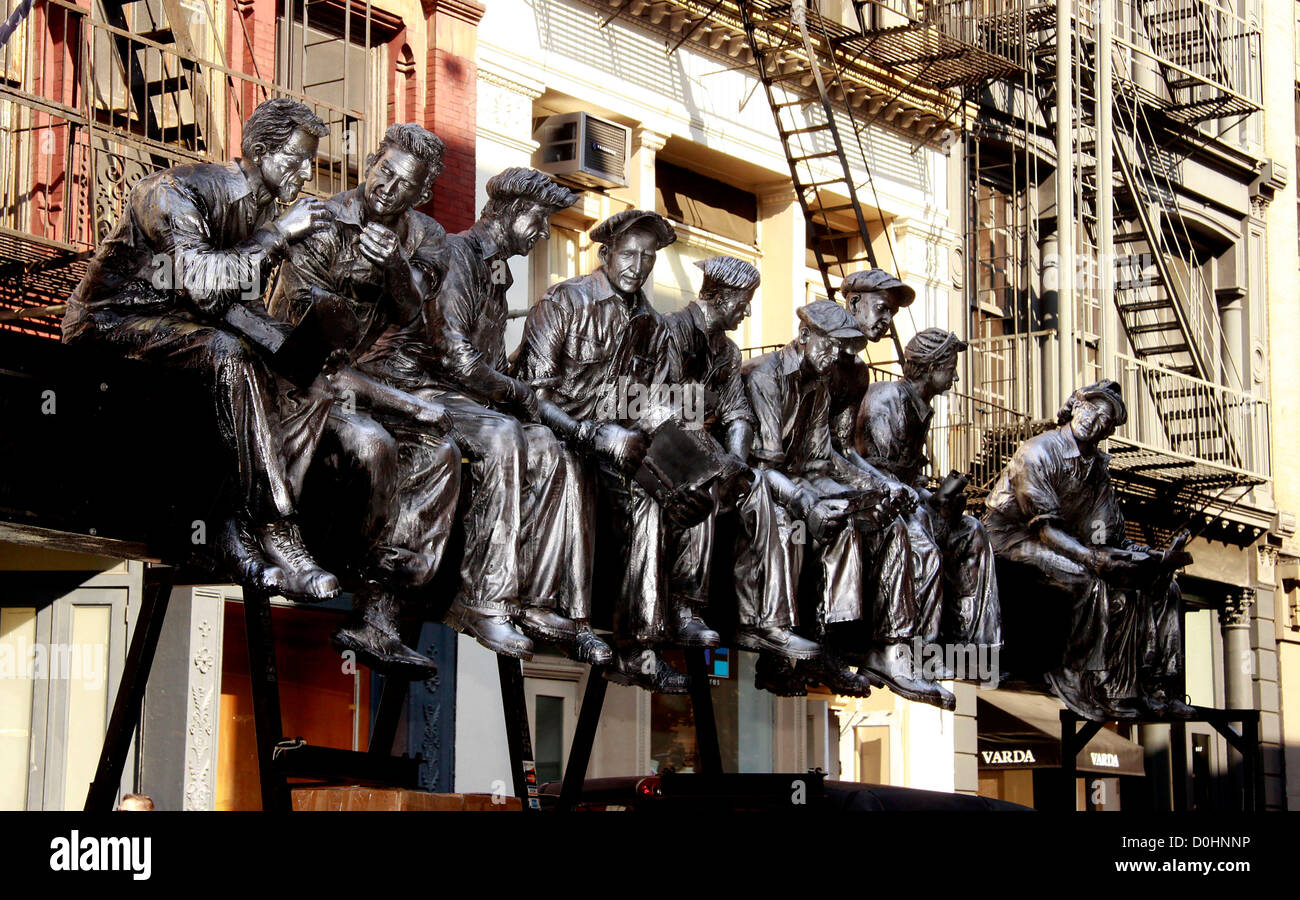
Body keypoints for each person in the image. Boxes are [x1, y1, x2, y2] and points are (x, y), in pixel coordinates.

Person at [63, 98, 340, 600]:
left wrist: (301, 352)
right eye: (295, 160)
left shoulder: (258, 209)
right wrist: (277, 236)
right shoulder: (172, 191)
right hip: (110, 324)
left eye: (310, 162)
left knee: (312, 384)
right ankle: (276, 525)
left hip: (187, 326)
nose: (305, 173)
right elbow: (203, 285)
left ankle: (243, 523)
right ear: (258, 150)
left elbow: (238, 305)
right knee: (226, 351)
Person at [360, 167, 613, 663]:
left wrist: (534, 394)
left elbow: (490, 365)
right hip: (412, 384)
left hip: (458, 394)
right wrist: (516, 393)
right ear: (511, 213)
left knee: (547, 444)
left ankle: (538, 601)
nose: (542, 233)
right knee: (501, 435)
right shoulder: (456, 255)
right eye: (538, 221)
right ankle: (483, 598)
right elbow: (455, 357)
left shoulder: (498, 274)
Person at [269, 123, 461, 673]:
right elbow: (304, 355)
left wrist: (396, 266)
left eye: (404, 185)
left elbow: (415, 315)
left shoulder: (426, 237)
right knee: (373, 445)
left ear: (421, 194)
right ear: (371, 163)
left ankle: (381, 616)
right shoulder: (324, 224)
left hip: (362, 383)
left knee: (439, 454)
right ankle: (340, 562)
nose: (387, 189)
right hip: (303, 384)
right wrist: (407, 406)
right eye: (384, 172)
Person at [513, 209, 715, 692]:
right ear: (605, 253)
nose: (639, 265)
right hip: (557, 437)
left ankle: (641, 648)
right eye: (629, 253)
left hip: (620, 449)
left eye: (649, 257)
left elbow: (658, 407)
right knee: (574, 470)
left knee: (672, 496)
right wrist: (591, 435)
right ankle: (569, 620)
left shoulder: (655, 325)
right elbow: (531, 398)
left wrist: (692, 463)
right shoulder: (564, 301)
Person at [983, 380, 1193, 720]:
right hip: (1011, 537)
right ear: (1074, 405)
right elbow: (1044, 527)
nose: (1094, 420)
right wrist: (1090, 557)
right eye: (1090, 409)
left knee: (1164, 585)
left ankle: (1156, 689)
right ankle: (1076, 673)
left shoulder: (1097, 471)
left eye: (1105, 420)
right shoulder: (1037, 451)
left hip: (1067, 542)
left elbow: (1112, 537)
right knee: (1085, 579)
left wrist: (1154, 557)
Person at [741, 300, 904, 698]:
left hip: (794, 479)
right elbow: (762, 465)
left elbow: (819, 460)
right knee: (792, 524)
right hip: (753, 482)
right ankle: (776, 649)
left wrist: (872, 491)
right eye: (828, 345)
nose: (834, 357)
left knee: (848, 520)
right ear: (804, 336)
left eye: (839, 348)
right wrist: (807, 503)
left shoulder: (818, 383)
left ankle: (829, 642)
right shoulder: (766, 376)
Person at [662, 256, 819, 664]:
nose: (747, 310)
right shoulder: (673, 332)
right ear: (721, 296)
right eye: (743, 301)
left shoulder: (728, 352)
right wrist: (716, 457)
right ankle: (684, 606)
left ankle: (762, 621)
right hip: (664, 446)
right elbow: (663, 407)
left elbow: (737, 413)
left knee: (762, 490)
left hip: (710, 451)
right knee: (703, 485)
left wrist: (735, 456)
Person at [854, 329, 999, 703]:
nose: (955, 377)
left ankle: (970, 648)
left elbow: (909, 475)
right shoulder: (887, 398)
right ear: (931, 367)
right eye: (950, 368)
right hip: (876, 504)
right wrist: (922, 500)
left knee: (971, 532)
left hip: (908, 500)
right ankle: (910, 653)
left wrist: (938, 499)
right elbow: (877, 473)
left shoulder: (921, 407)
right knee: (924, 549)